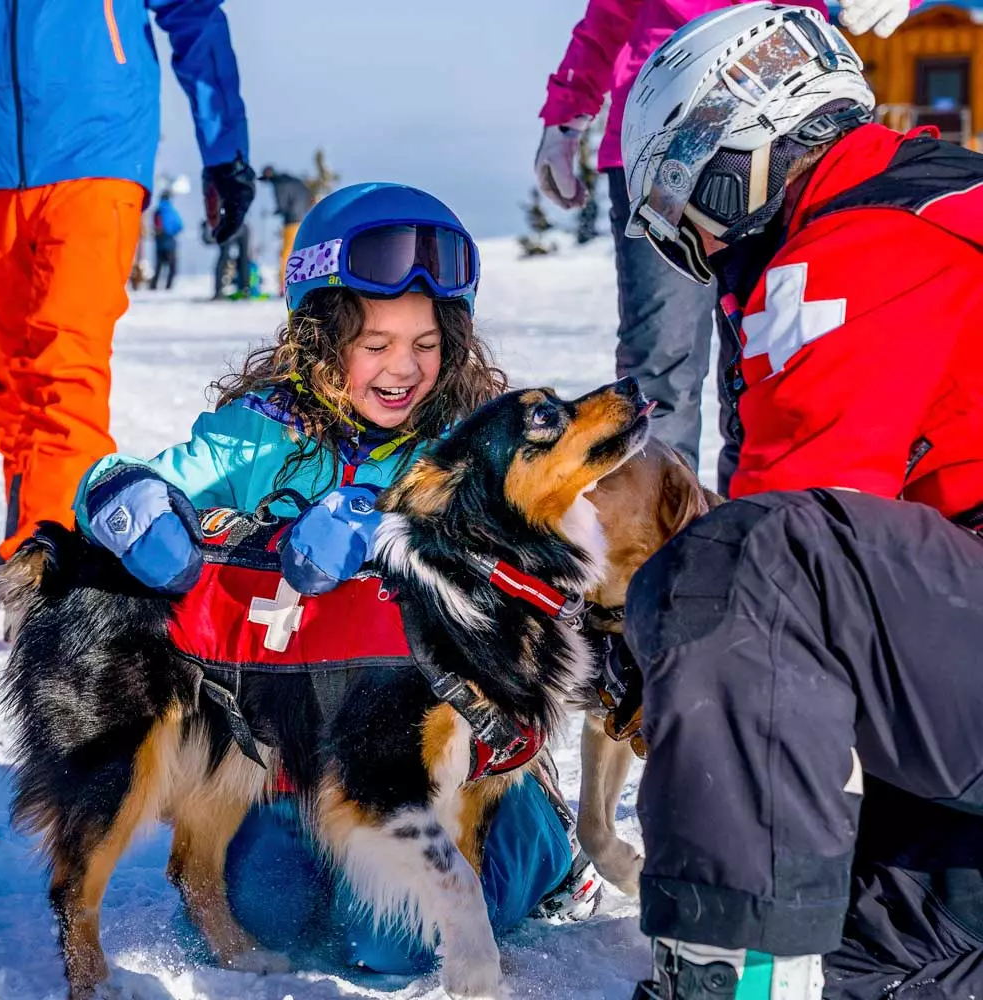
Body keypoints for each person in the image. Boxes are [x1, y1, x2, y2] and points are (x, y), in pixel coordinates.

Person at [73, 183, 595, 974]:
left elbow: (536, 563)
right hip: (293, 762)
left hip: (444, 758)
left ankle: (543, 846)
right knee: (272, 910)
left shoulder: (465, 449)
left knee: (395, 943)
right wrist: (121, 493)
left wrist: (381, 523)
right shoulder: (260, 433)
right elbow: (161, 477)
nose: (404, 369)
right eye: (376, 343)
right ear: (321, 334)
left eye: (426, 343)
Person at [616, 6, 983, 998]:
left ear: (727, 149)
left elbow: (779, 543)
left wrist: (635, 648)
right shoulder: (944, 204)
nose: (695, 241)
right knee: (881, 951)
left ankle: (731, 970)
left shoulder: (841, 251)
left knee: (741, 557)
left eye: (682, 205)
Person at [0, 0, 257, 564]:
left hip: (97, 146)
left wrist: (223, 148)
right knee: (11, 375)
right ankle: (32, 539)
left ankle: (57, 568)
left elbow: (194, 14)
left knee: (65, 367)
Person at [534, 0, 915, 491]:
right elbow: (608, 14)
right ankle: (658, 543)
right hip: (664, 138)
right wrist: (566, 115)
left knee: (778, 359)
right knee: (661, 364)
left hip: (787, 130)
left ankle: (762, 533)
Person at [259, 164, 313, 293]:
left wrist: (274, 212)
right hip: (304, 220)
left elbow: (282, 205)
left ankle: (284, 285)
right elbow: (309, 197)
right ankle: (302, 283)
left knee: (286, 253)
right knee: (301, 251)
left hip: (292, 221)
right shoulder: (295, 181)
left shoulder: (279, 184)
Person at [150, 189, 183, 291]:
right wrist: (171, 231)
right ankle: (168, 287)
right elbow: (179, 225)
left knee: (159, 266)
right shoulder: (172, 210)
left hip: (159, 241)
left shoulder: (157, 211)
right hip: (170, 241)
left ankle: (153, 286)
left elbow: (155, 226)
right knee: (172, 267)